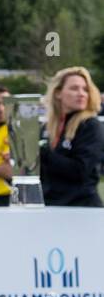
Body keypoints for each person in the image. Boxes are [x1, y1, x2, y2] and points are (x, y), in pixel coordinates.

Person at [39, 66, 104, 207]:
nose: (81, 94)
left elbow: (80, 171)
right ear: (58, 93)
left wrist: (43, 154)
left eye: (85, 89)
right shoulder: (47, 127)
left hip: (82, 209)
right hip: (51, 207)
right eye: (74, 88)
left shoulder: (90, 126)